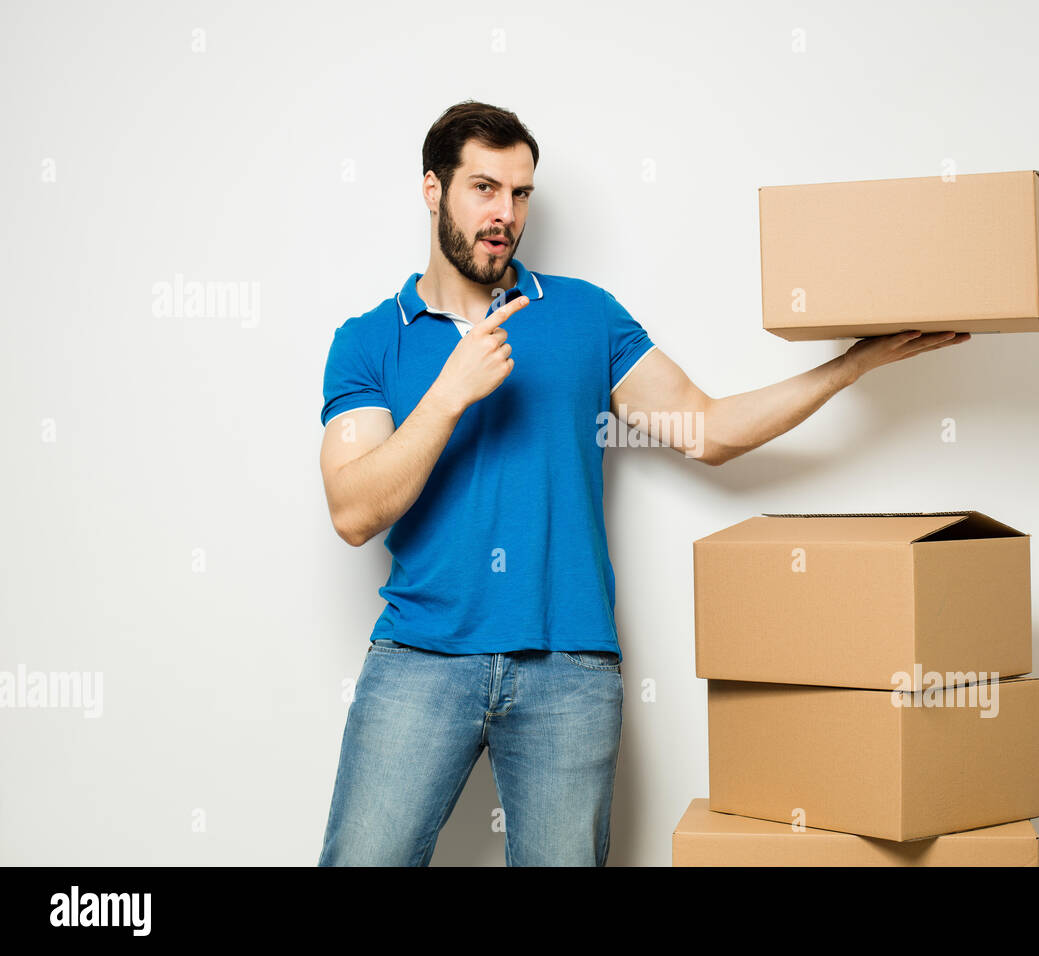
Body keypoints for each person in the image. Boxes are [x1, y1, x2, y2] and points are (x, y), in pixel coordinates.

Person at [315, 100, 969, 867]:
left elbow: (710, 429)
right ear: (433, 190)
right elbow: (354, 511)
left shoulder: (585, 315)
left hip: (568, 670)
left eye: (520, 194)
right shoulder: (366, 340)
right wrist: (451, 391)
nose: (505, 215)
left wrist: (850, 366)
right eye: (484, 189)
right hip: (420, 658)